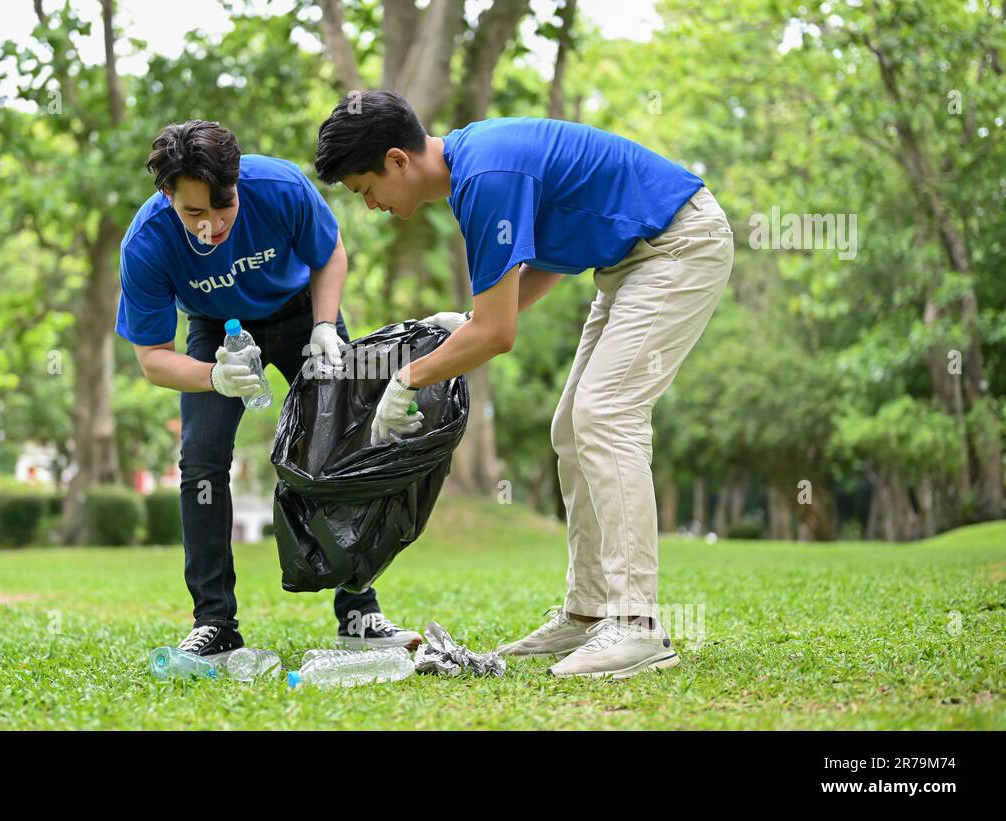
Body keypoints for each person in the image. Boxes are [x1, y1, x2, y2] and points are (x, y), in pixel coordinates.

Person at [314, 92, 734, 678]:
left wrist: (406, 381)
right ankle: (590, 614)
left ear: (397, 161)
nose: (371, 206)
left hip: (678, 245)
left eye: (366, 190)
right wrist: (467, 324)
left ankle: (636, 625)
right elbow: (547, 263)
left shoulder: (485, 177)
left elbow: (498, 335)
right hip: (626, 265)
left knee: (605, 415)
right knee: (572, 426)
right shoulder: (474, 169)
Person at [117, 120, 421, 661]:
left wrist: (326, 325)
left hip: (305, 309)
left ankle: (359, 609)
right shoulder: (147, 244)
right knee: (202, 463)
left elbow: (329, 254)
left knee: (345, 447)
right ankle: (214, 621)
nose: (211, 226)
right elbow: (152, 359)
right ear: (167, 196)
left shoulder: (280, 187)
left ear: (237, 181)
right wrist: (213, 375)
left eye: (223, 207)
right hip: (218, 329)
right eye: (193, 214)